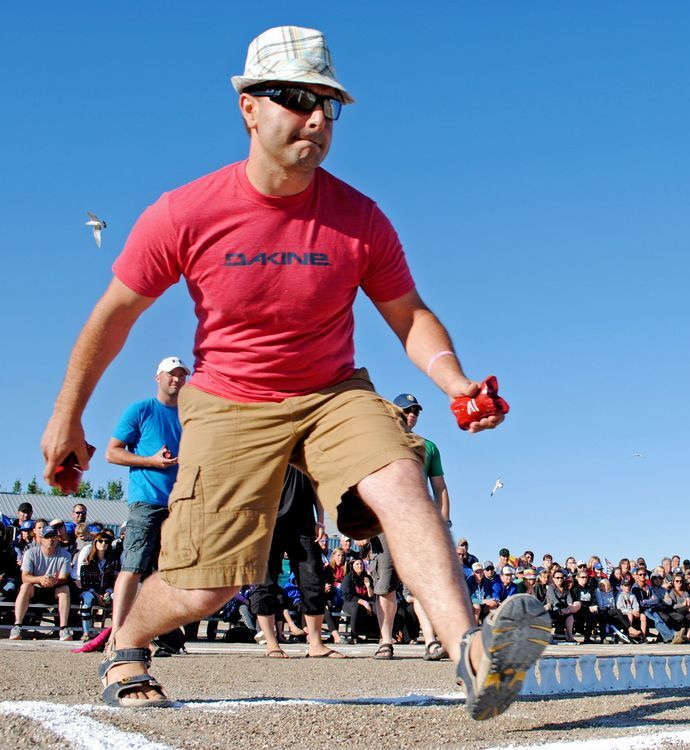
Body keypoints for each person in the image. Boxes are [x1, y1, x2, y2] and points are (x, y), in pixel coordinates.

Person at [39, 25, 548, 717]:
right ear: (248, 106)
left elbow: (409, 315)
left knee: (401, 477)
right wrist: (68, 414)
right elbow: (113, 316)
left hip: (333, 391)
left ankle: (474, 656)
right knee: (207, 588)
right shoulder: (185, 213)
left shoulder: (359, 219)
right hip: (230, 399)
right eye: (294, 98)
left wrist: (453, 381)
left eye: (327, 103)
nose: (315, 117)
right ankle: (125, 643)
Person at [104, 357, 189, 642]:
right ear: (158, 377)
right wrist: (150, 461)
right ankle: (118, 632)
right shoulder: (141, 410)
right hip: (147, 500)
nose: (176, 379)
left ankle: (163, 636)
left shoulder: (189, 416)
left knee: (170, 573)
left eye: (181, 375)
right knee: (133, 567)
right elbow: (112, 452)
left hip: (179, 504)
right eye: (171, 374)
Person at [250, 467, 342, 659]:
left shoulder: (306, 449)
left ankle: (316, 644)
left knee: (313, 581)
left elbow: (317, 484)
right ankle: (272, 643)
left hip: (303, 524)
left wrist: (321, 520)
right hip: (269, 522)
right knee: (265, 582)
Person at [389, 392, 450, 661]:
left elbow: (440, 487)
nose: (411, 414)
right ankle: (385, 641)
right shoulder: (382, 442)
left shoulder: (429, 447)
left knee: (423, 583)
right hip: (387, 519)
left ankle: (430, 641)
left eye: (415, 410)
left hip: (418, 520)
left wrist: (443, 519)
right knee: (386, 585)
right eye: (406, 410)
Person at [11, 526, 73, 641]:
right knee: (25, 586)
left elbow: (64, 578)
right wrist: (40, 579)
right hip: (36, 589)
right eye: (47, 537)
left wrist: (54, 581)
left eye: (53, 537)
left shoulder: (65, 555)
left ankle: (63, 628)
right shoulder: (31, 553)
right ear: (41, 539)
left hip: (54, 589)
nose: (51, 540)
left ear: (57, 538)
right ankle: (17, 626)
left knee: (65, 589)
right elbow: (25, 577)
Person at [76, 531, 119, 641]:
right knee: (87, 599)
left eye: (106, 542)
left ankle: (116, 632)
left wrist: (108, 592)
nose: (103, 544)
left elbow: (114, 581)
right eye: (100, 541)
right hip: (90, 591)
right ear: (95, 543)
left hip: (107, 591)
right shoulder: (87, 561)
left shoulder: (113, 561)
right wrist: (96, 595)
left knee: (117, 598)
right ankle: (86, 631)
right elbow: (85, 583)